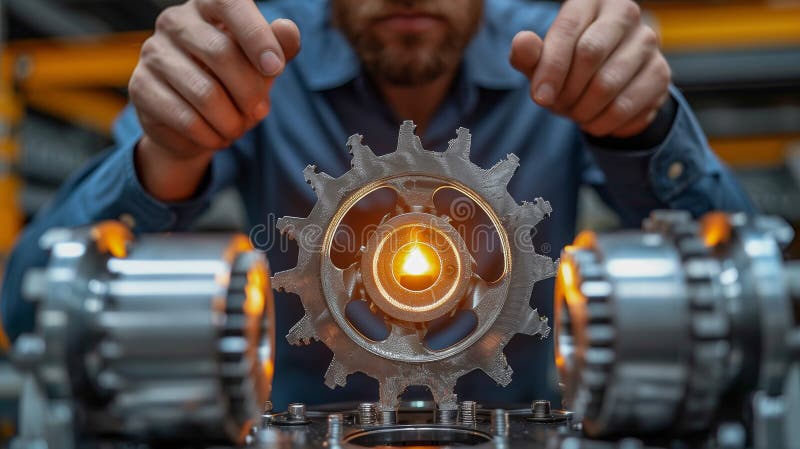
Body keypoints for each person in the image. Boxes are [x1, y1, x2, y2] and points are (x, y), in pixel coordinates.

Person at [1, 0, 753, 407]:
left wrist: (644, 130)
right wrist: (166, 157)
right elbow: (31, 311)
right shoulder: (253, 62)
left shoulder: (564, 54)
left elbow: (746, 305)